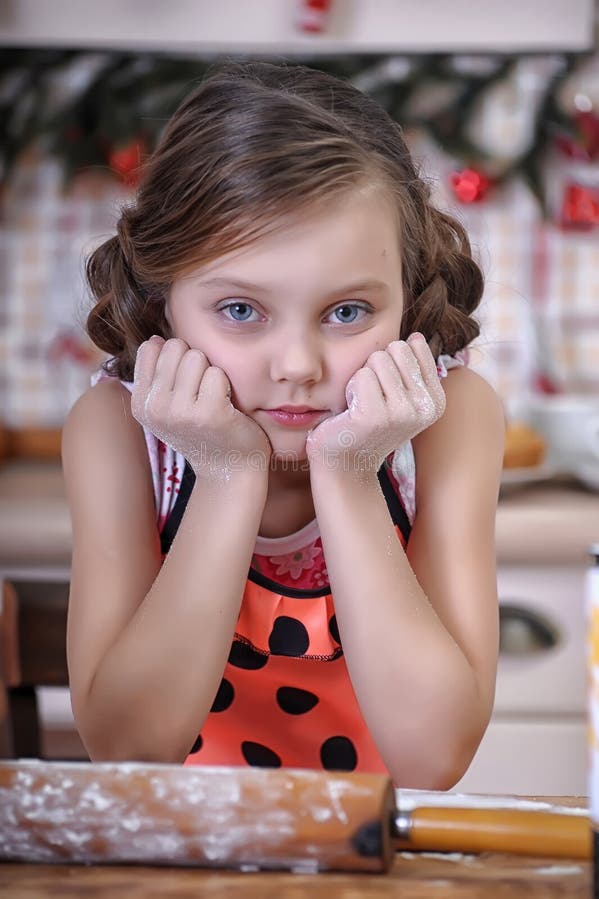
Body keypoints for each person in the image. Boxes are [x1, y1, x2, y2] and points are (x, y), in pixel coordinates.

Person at [62, 60, 505, 789]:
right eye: (240, 311)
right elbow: (129, 752)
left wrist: (351, 471)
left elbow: (432, 760)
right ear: (162, 299)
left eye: (347, 312)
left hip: (383, 866)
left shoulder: (449, 423)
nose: (296, 365)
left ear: (408, 298)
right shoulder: (114, 429)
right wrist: (228, 473)